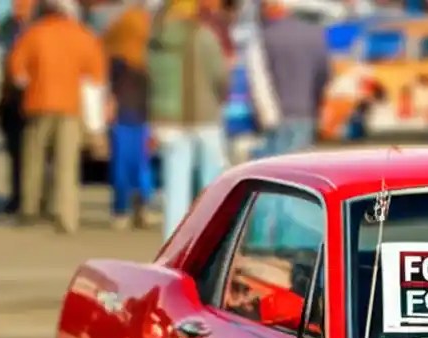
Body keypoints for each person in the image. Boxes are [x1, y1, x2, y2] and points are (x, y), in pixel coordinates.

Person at [8, 0, 106, 233]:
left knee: (33, 159)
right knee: (67, 164)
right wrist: (96, 122)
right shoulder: (84, 36)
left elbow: (17, 71)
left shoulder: (34, 34)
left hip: (38, 104)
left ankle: (30, 208)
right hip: (70, 107)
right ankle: (66, 216)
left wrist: (30, 84)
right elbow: (95, 78)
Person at [147, 0, 229, 241]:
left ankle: (173, 241)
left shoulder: (157, 39)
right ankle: (210, 239)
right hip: (205, 116)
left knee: (175, 185)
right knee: (211, 183)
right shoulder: (204, 36)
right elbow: (220, 76)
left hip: (168, 119)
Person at [246, 0, 329, 157]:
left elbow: (258, 81)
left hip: (277, 117)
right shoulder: (314, 34)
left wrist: (265, 116)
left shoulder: (263, 38)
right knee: (299, 165)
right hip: (306, 114)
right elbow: (323, 74)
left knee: (275, 166)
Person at [103, 0, 157, 229]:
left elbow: (109, 86)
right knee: (140, 166)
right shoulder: (148, 56)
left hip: (125, 114)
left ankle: (122, 210)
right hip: (138, 114)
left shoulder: (115, 53)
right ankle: (138, 208)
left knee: (124, 165)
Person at [0, 0, 35, 216]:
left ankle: (28, 198)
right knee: (16, 152)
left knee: (30, 153)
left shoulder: (39, 27)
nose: (18, 6)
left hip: (31, 97)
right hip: (11, 97)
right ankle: (18, 196)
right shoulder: (8, 26)